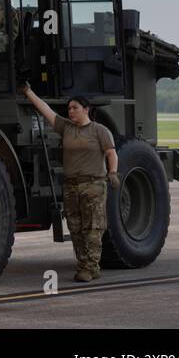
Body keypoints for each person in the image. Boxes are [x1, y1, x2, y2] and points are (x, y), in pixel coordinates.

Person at [21, 84, 119, 282]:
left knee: (93, 227)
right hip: (71, 186)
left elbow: (111, 153)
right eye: (69, 109)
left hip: (93, 185)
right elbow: (46, 110)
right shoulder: (66, 128)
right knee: (75, 228)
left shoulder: (99, 131)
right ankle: (85, 265)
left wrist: (113, 172)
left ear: (86, 109)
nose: (71, 111)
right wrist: (28, 92)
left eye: (75, 107)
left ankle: (90, 267)